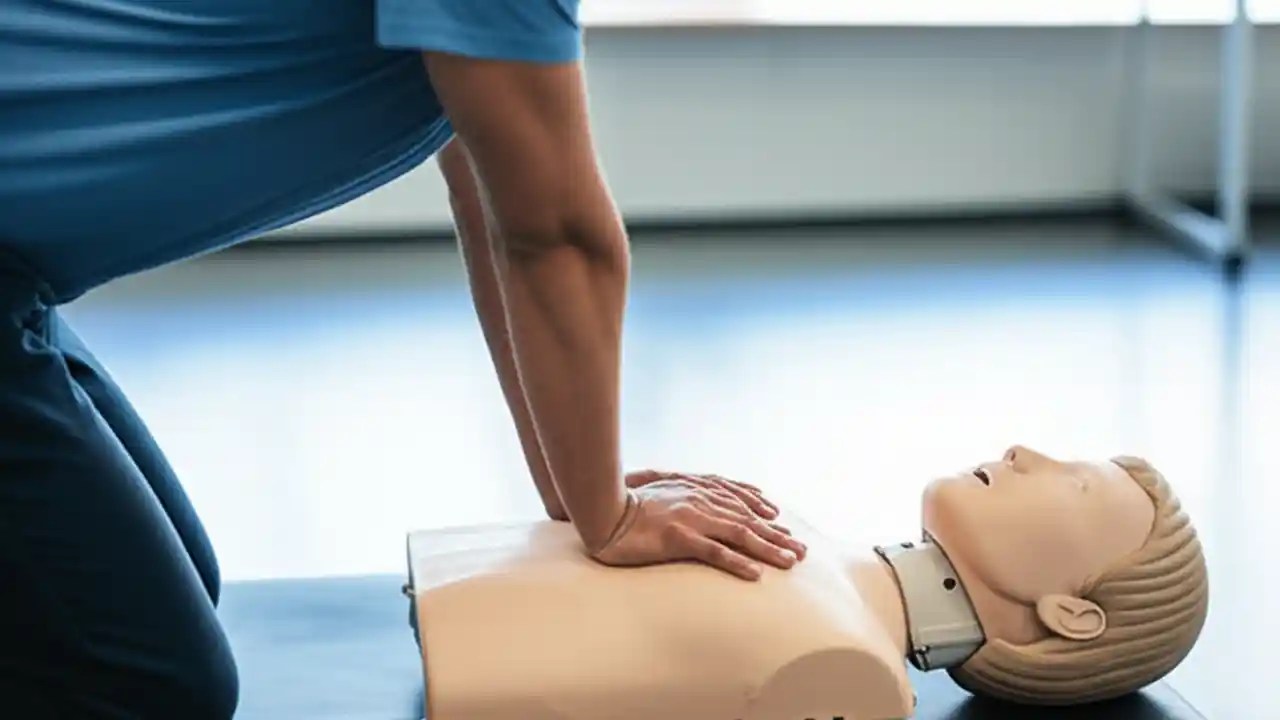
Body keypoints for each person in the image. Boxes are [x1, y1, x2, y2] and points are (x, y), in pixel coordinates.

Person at [0, 1, 807, 717]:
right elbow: (554, 235)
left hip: (17, 275)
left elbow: (495, 196)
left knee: (117, 608)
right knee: (144, 680)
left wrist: (577, 491)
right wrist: (613, 518)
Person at [405, 446, 1209, 718]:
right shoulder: (814, 552)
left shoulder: (852, 672)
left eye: (1074, 483)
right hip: (453, 603)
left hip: (459, 654)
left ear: (1070, 614)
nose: (1028, 450)